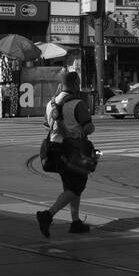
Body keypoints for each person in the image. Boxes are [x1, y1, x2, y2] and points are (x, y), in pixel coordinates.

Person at [36, 71, 96, 237]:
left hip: (54, 149)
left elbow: (46, 126)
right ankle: (47, 215)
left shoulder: (50, 104)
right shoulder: (78, 104)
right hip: (73, 151)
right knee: (77, 186)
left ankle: (75, 222)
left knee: (71, 186)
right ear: (76, 84)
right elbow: (89, 128)